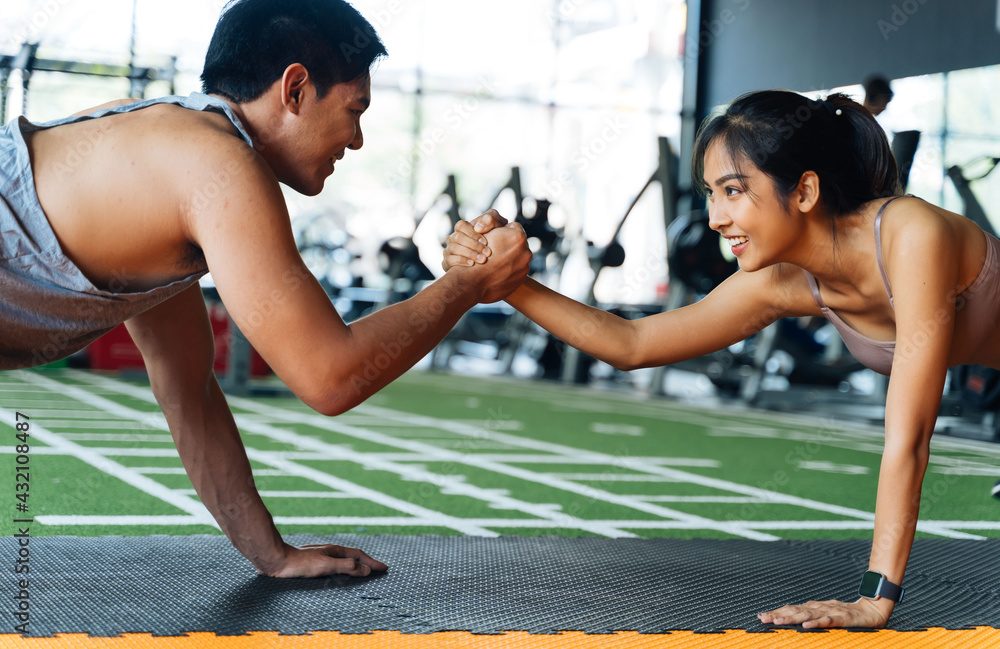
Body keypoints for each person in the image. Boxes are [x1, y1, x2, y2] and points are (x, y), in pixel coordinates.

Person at [0, 0, 531, 578]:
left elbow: (188, 386)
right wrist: (467, 285)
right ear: (295, 89)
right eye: (355, 110)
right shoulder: (218, 166)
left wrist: (273, 556)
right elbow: (331, 377)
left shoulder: (173, 148)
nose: (356, 140)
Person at [444, 89, 1000, 629]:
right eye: (711, 193)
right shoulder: (781, 283)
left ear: (805, 191)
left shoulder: (911, 234)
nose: (714, 217)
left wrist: (875, 598)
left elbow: (909, 437)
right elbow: (632, 345)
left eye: (733, 190)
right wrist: (505, 282)